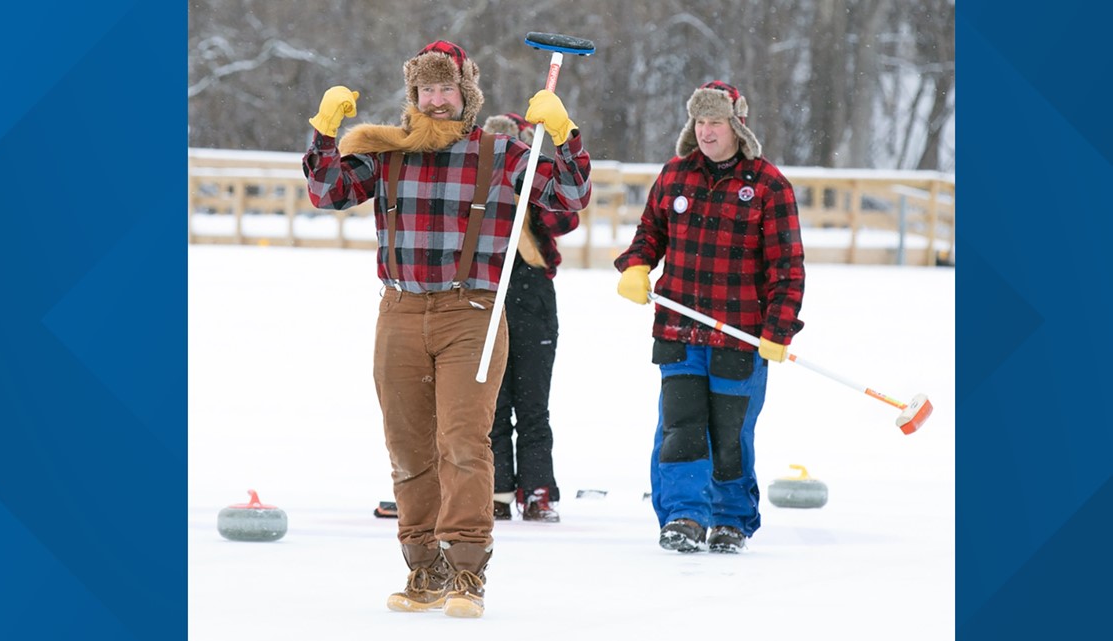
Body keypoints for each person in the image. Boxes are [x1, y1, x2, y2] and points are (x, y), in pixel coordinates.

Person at [302, 41, 592, 616]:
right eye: (426, 90)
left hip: (473, 313)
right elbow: (326, 191)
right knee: (408, 447)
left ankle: (466, 570)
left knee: (462, 440)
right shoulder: (387, 153)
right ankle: (423, 568)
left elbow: (569, 199)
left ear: (466, 95)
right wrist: (324, 133)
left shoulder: (501, 152)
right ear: (413, 97)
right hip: (401, 312)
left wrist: (565, 137)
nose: (436, 101)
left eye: (446, 90)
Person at [613, 80, 805, 554]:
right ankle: (682, 515)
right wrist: (637, 265)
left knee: (729, 431)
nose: (706, 131)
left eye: (715, 121)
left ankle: (729, 517)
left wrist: (778, 328)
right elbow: (649, 232)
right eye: (699, 122)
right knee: (681, 428)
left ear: (738, 124)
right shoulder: (675, 175)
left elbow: (787, 265)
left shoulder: (767, 184)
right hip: (679, 328)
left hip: (740, 334)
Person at [481, 113, 579, 524]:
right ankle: (497, 490)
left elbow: (566, 218)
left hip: (533, 297)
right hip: (485, 295)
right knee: (493, 403)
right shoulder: (476, 185)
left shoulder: (534, 185)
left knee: (533, 404)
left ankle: (538, 490)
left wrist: (527, 188)